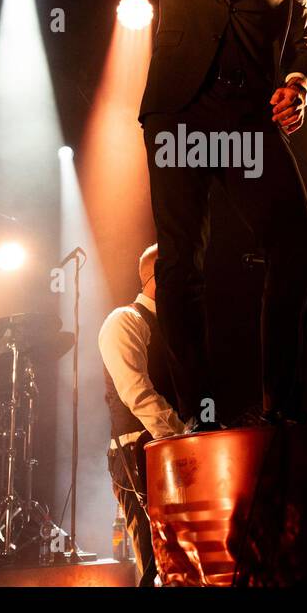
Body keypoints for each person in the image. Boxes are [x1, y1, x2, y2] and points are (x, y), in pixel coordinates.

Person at [0, 0, 307, 428]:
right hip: (179, 113)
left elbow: (302, 42)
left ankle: (283, 404)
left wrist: (297, 84)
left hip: (247, 119)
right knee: (180, 261)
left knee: (297, 243)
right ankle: (202, 413)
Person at [98, 244, 182, 586]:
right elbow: (138, 394)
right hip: (138, 454)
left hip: (167, 451)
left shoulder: (173, 329)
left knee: (179, 560)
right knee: (154, 562)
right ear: (159, 277)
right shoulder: (125, 321)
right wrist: (183, 435)